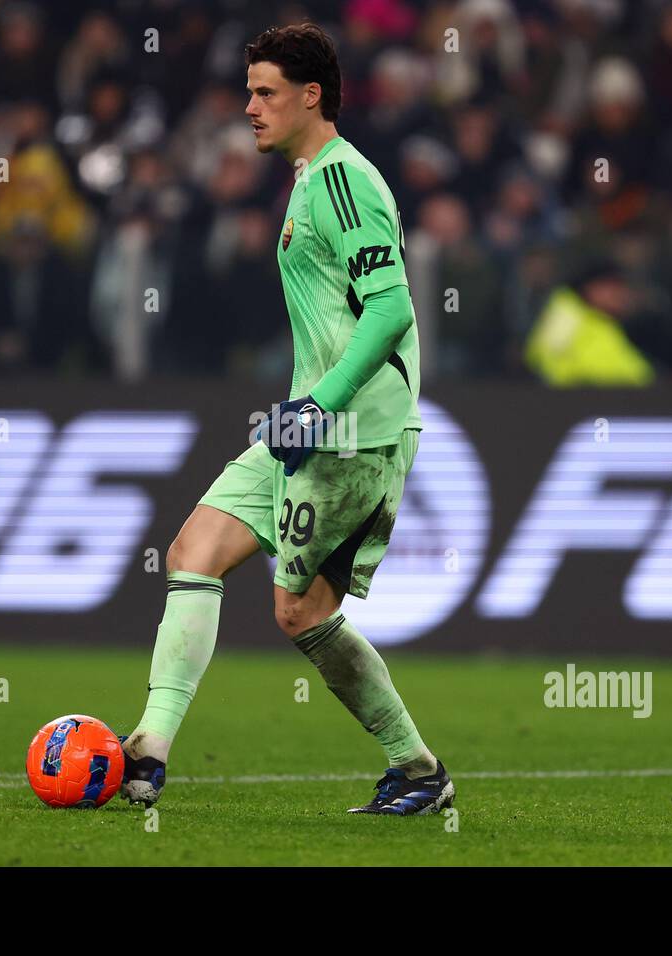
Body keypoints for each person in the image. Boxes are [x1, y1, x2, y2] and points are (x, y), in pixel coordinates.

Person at [118, 22, 452, 816]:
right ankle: (148, 753)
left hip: (348, 433)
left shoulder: (344, 182)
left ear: (312, 96)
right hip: (305, 427)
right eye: (248, 92)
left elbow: (393, 308)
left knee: (300, 611)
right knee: (194, 552)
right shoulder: (309, 180)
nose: (250, 108)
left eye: (266, 93)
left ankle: (418, 769)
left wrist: (319, 405)